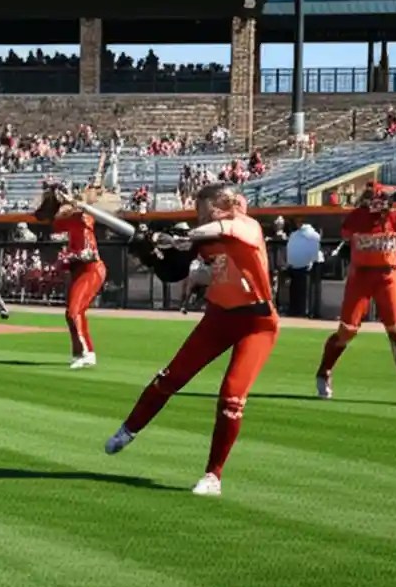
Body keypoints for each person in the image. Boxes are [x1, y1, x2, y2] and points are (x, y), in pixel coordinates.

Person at [104, 183, 279, 497]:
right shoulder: (205, 237)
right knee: (170, 377)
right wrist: (153, 252)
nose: (201, 215)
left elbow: (226, 227)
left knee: (231, 398)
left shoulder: (246, 226)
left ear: (224, 204)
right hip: (219, 317)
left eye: (205, 209)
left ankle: (214, 475)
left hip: (257, 323)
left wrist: (179, 236)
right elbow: (174, 271)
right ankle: (128, 429)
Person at [313, 183, 396, 403]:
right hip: (361, 277)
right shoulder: (357, 217)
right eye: (375, 199)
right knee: (348, 330)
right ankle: (324, 371)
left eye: (383, 199)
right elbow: (347, 232)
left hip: (388, 276)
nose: (379, 203)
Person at [35, 185, 106, 369]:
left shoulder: (83, 217)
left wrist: (71, 201)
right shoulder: (67, 220)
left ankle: (83, 353)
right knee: (76, 313)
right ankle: (85, 353)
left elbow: (89, 253)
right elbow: (45, 217)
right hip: (80, 270)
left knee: (73, 312)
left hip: (91, 269)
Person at [284, 221, 322, 317]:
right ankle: (304, 311)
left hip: (296, 266)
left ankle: (298, 310)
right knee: (304, 291)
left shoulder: (295, 235)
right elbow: (314, 252)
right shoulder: (312, 235)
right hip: (304, 266)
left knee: (297, 290)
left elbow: (289, 250)